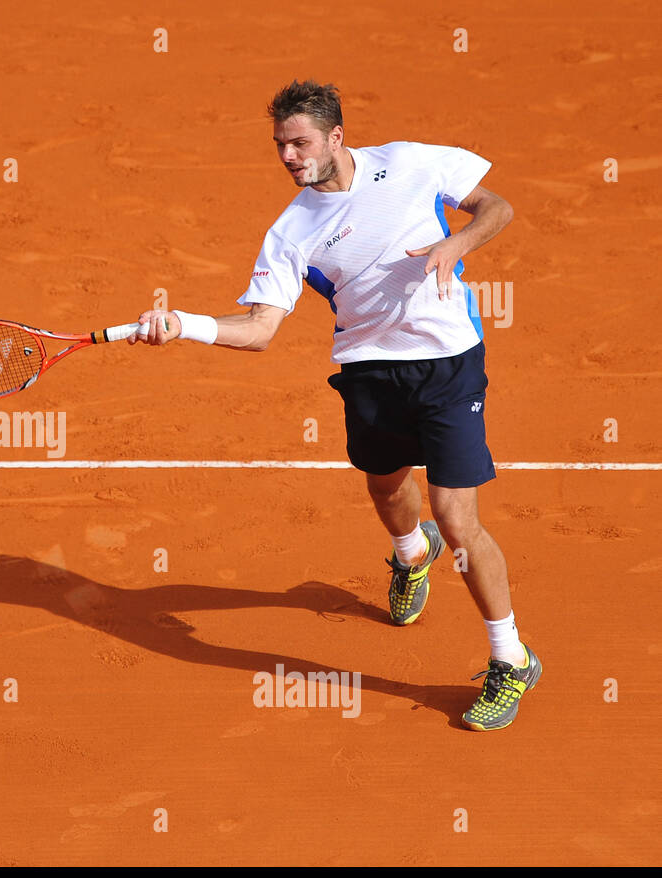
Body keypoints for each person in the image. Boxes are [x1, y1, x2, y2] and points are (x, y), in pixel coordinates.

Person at [130, 79, 539, 731]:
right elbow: (261, 328)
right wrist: (186, 323)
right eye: (280, 146)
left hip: (447, 363)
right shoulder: (292, 231)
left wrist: (454, 245)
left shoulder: (408, 163)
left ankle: (509, 657)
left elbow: (497, 207)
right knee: (385, 488)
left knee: (457, 518)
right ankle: (411, 555)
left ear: (337, 138)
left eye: (300, 143)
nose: (289, 157)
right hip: (369, 368)